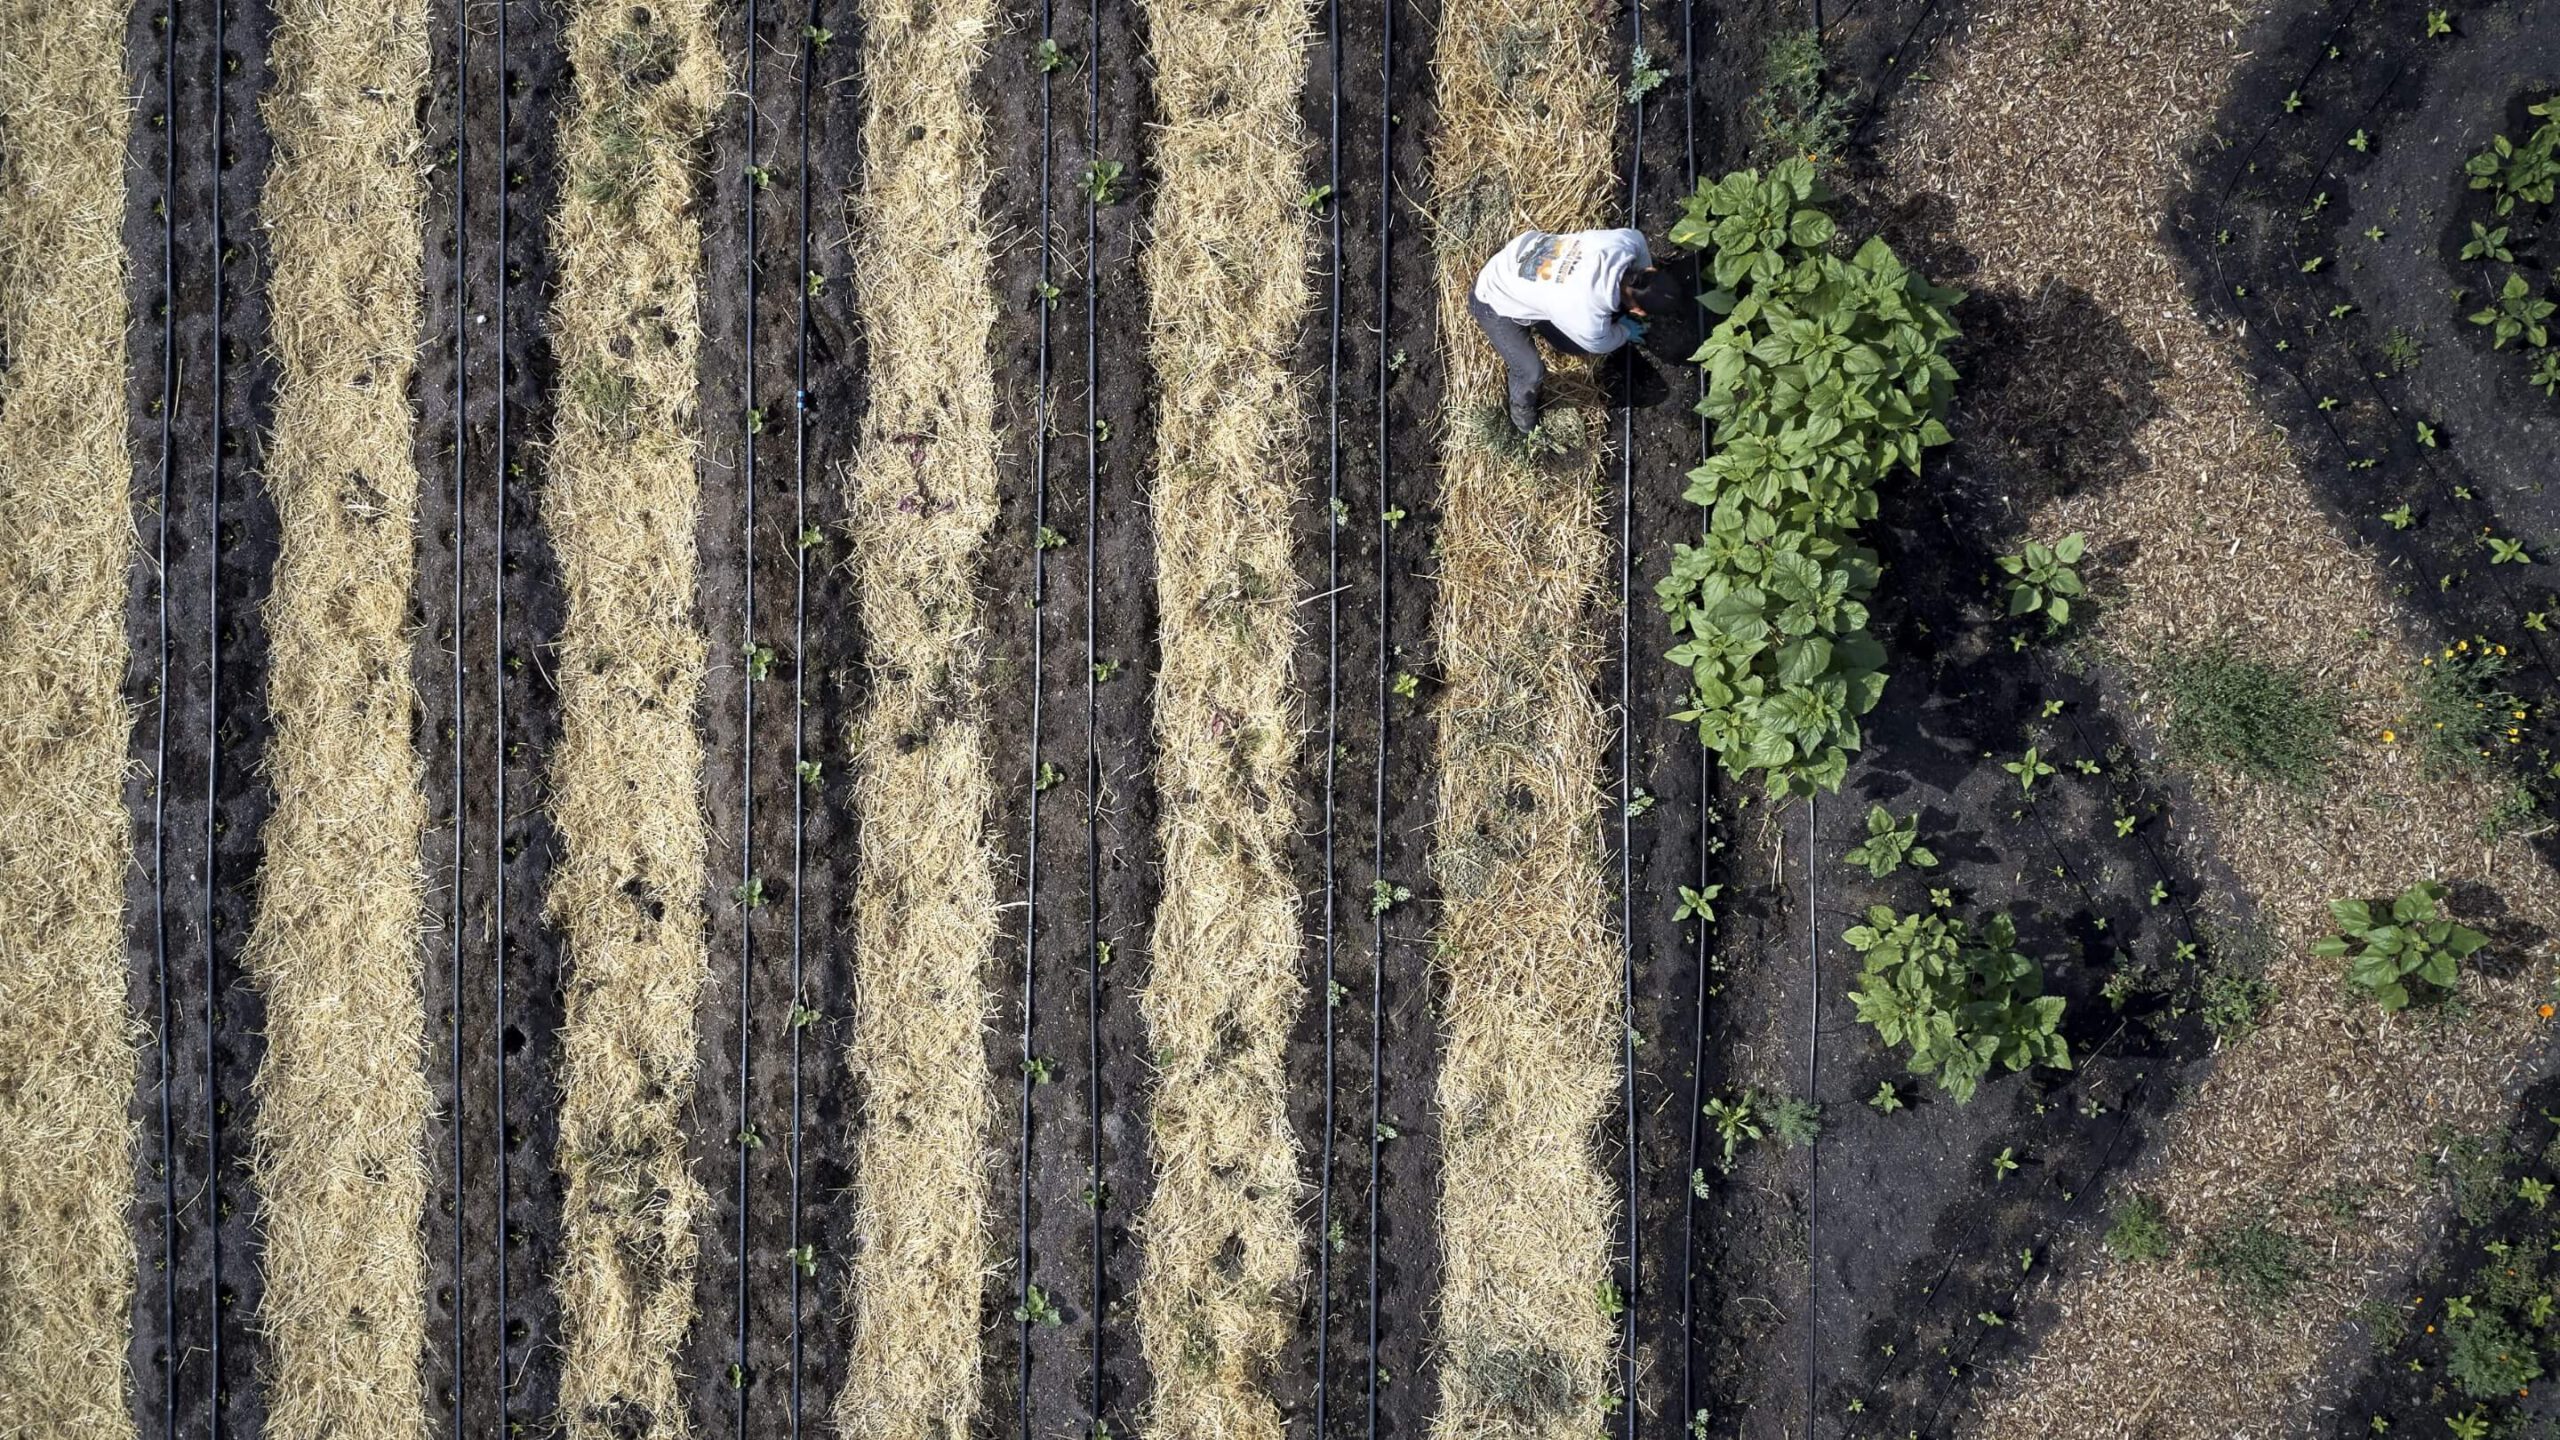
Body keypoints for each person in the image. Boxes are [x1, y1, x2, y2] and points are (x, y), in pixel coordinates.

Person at [1469, 227, 1682, 432]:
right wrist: (1625, 331)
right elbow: (1602, 344)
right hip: (1492, 298)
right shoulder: (1589, 320)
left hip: (1517, 258)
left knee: (1560, 309)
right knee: (1531, 371)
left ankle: (1538, 309)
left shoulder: (1625, 242)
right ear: (1638, 310)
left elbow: (1640, 241)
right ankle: (1521, 411)